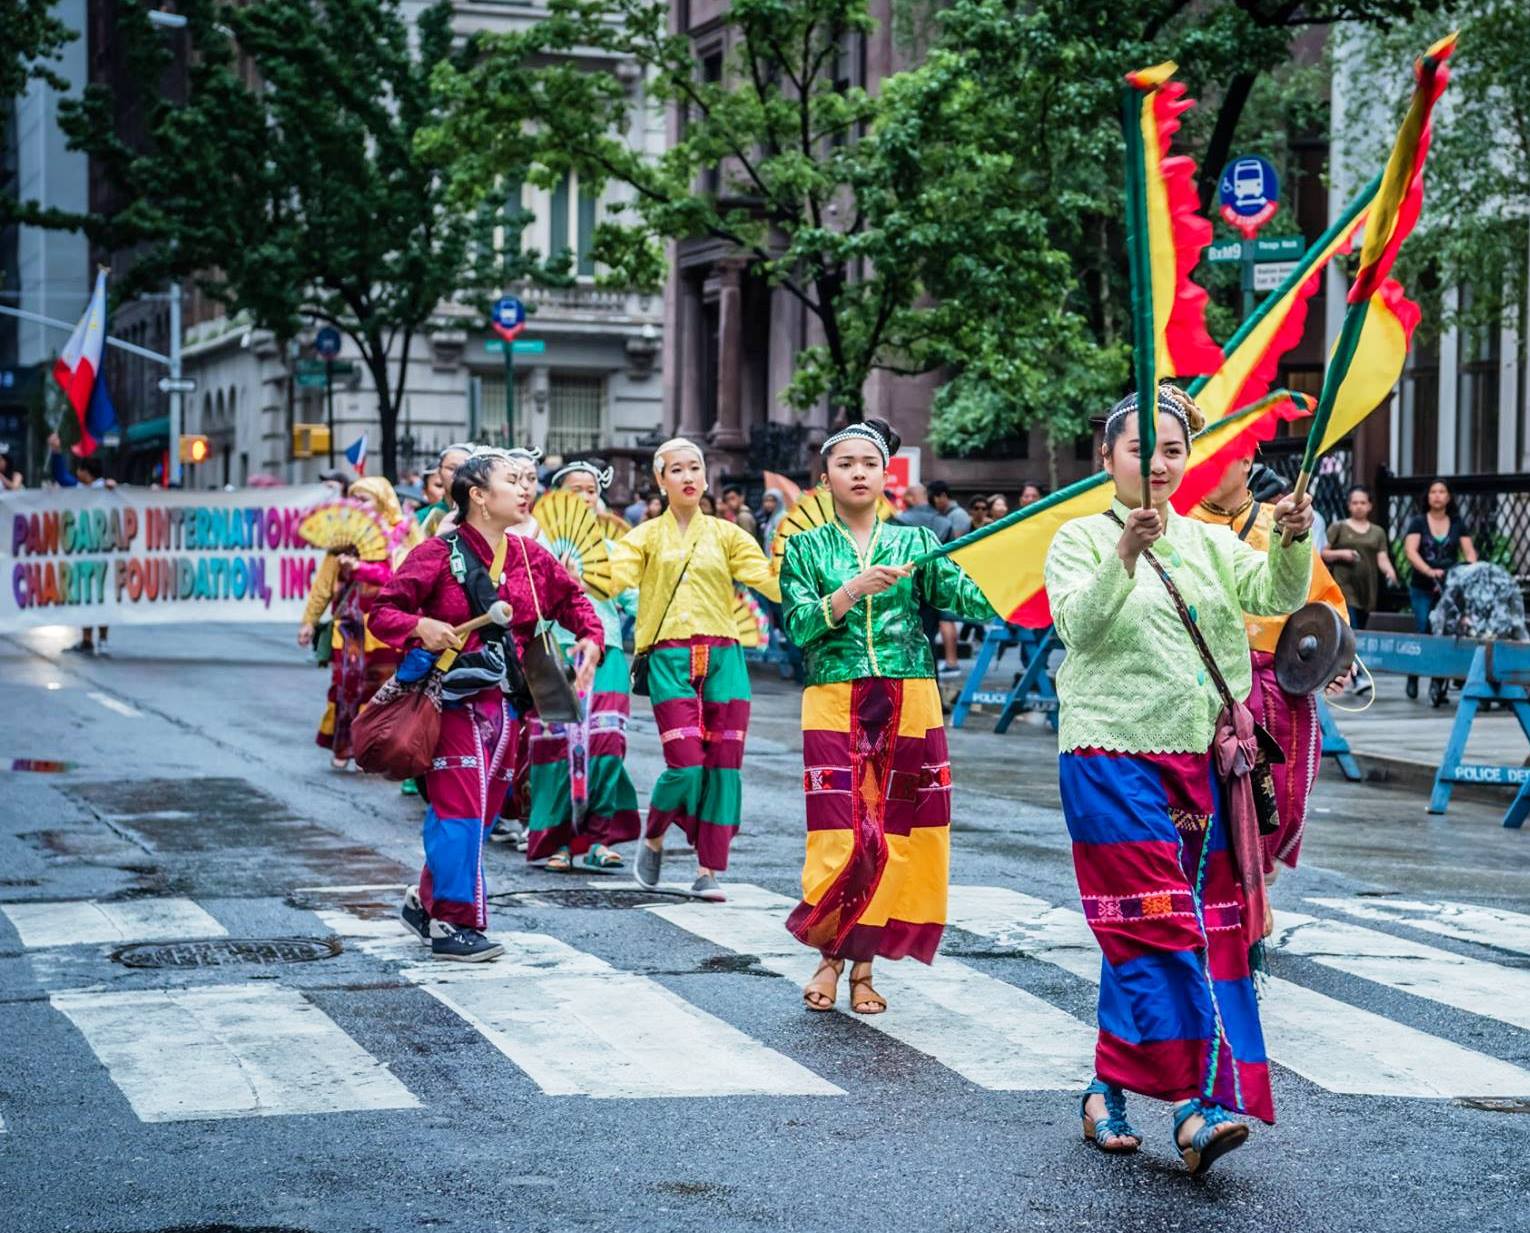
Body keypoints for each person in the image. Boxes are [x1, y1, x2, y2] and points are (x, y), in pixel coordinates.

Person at [1044, 383, 1313, 1173]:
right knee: (1164, 923)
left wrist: (1293, 538)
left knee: (1145, 925)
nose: (1158, 464)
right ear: (1108, 457)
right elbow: (1079, 626)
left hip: (1199, 761)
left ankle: (1106, 1086)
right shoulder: (1078, 538)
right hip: (1106, 757)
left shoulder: (1208, 542)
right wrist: (1126, 552)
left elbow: (1277, 595)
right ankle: (1200, 1104)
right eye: (1141, 449)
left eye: (1172, 450)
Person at [780, 420, 994, 1015]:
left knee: (896, 834)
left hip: (910, 691)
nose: (858, 473)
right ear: (825, 479)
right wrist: (851, 590)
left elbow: (971, 599)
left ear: (885, 477)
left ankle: (864, 969)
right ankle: (830, 957)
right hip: (834, 694)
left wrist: (1016, 563)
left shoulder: (917, 543)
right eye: (845, 464)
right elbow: (798, 626)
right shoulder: (804, 548)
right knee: (840, 834)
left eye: (869, 464)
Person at [372, 451, 603, 961]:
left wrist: (591, 637)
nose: (525, 489)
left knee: (482, 813)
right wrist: (419, 626)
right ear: (478, 495)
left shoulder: (529, 556)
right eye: (511, 481)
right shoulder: (436, 554)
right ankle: (452, 923)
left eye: (526, 481)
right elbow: (383, 612)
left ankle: (425, 902)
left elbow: (573, 601)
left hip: (508, 707)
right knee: (460, 810)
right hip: (451, 702)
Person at [608, 438, 781, 900]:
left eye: (694, 468)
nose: (687, 477)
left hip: (725, 655)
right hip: (668, 657)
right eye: (676, 470)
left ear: (706, 479)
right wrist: (577, 572)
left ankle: (708, 869)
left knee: (723, 766)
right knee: (685, 764)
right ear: (661, 481)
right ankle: (654, 833)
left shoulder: (728, 535)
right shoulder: (643, 537)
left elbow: (769, 581)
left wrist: (805, 567)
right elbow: (612, 577)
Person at [1190, 444, 1350, 877]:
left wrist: (1335, 663)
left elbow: (1323, 602)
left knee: (1272, 800)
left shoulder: (1279, 522)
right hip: (1200, 687)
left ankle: (1257, 884)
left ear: (1247, 460)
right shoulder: (1178, 524)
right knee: (1201, 805)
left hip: (1275, 687)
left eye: (1219, 456)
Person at [523, 459, 642, 872]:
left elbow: (635, 602)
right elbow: (525, 606)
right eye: (575, 491)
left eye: (591, 490)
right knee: (557, 748)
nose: (585, 498)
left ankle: (599, 838)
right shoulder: (535, 551)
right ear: (558, 498)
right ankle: (558, 842)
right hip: (554, 652)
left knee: (608, 745)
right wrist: (559, 580)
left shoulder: (613, 552)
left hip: (606, 652)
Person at [303, 477, 421, 770]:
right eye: (354, 499)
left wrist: (361, 569)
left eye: (364, 499)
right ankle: (345, 744)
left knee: (384, 687)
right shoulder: (343, 541)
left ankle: (375, 749)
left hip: (389, 625)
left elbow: (407, 577)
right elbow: (323, 585)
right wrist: (309, 621)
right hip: (350, 625)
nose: (358, 505)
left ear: (382, 501)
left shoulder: (404, 534)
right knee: (346, 683)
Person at [1403, 479, 1477, 703]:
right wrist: (1428, 570)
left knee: (1445, 631)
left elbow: (1470, 553)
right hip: (1422, 585)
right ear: (1427, 497)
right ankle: (1414, 673)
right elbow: (1411, 551)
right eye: (1433, 491)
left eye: (1442, 491)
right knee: (1424, 627)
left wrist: (1470, 568)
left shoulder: (1457, 523)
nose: (1437, 495)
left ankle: (1438, 682)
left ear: (1448, 497)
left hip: (1449, 587)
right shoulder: (1418, 522)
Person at [1324, 484, 1397, 632]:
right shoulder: (1339, 527)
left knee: (1362, 627)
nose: (1359, 506)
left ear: (1370, 506)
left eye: (1363, 503)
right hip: (1343, 585)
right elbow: (1324, 553)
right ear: (1349, 505)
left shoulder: (1377, 532)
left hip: (1366, 588)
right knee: (1351, 625)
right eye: (1355, 503)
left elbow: (1382, 557)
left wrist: (1390, 571)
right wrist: (1342, 554)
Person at [418, 443, 476, 535]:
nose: (458, 473)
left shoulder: (482, 515)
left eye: (465, 468)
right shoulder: (421, 517)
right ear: (439, 471)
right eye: (452, 468)